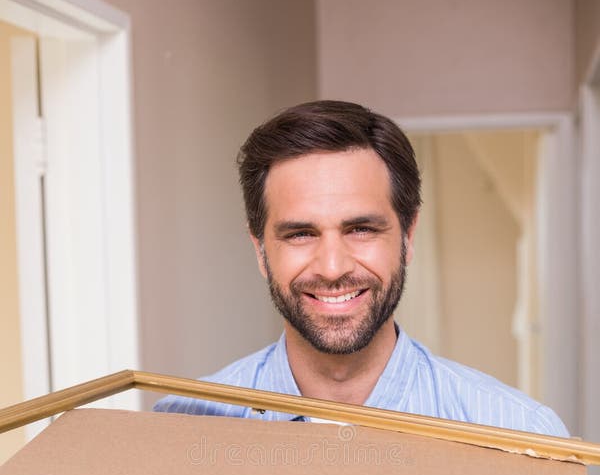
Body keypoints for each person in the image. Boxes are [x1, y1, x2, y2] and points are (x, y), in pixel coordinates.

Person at [154, 100, 568, 436]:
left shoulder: (518, 433)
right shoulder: (186, 426)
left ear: (407, 236)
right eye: (300, 234)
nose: (332, 267)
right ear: (260, 251)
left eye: (361, 229)